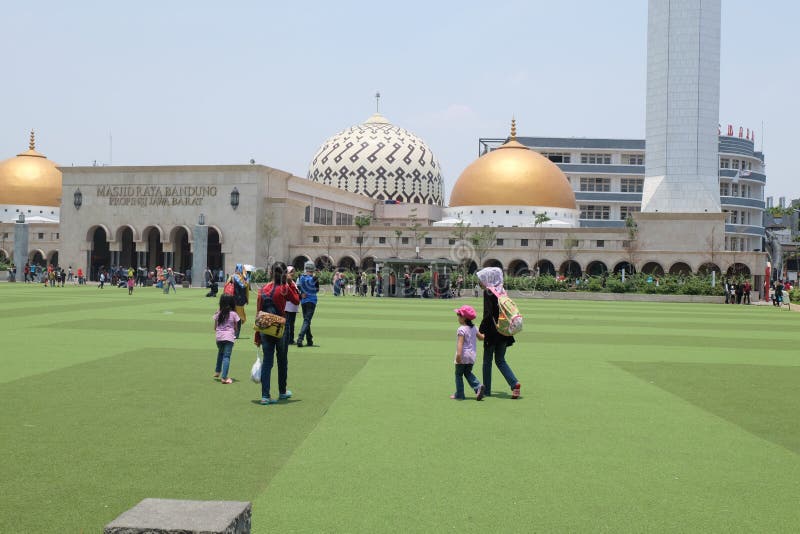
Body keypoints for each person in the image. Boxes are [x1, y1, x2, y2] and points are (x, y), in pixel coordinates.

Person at [255, 262, 300, 404]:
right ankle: (282, 391)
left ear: (271, 272)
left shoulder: (262, 290)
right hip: (280, 327)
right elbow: (297, 300)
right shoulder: (285, 288)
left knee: (267, 362)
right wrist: (291, 282)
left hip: (265, 327)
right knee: (282, 360)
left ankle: (265, 396)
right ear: (284, 273)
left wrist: (257, 335)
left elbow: (258, 312)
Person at [477, 267, 521, 399]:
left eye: (481, 279)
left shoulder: (489, 292)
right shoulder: (501, 291)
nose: (479, 282)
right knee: (500, 360)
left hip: (492, 331)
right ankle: (514, 383)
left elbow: (488, 314)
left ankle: (487, 390)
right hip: (504, 330)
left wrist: (480, 331)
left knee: (487, 361)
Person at [451, 305, 486, 401]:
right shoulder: (474, 328)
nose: (458, 317)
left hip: (463, 355)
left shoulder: (461, 329)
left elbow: (460, 344)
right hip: (471, 356)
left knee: (458, 375)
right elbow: (481, 338)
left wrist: (458, 355)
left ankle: (460, 394)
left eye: (459, 315)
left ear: (464, 318)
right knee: (467, 372)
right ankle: (478, 387)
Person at [213, 294, 240, 384]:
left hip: (219, 337)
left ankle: (217, 371)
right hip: (228, 338)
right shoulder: (233, 314)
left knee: (220, 353)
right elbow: (236, 328)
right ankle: (224, 378)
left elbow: (215, 327)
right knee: (226, 357)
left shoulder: (218, 313)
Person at [296, 261, 319, 347]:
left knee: (306, 320)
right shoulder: (314, 278)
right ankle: (300, 338)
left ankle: (309, 340)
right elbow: (317, 289)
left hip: (304, 301)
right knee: (307, 320)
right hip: (312, 301)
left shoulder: (301, 277)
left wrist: (302, 293)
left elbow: (298, 287)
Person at [228, 264, 250, 336]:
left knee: (233, 315)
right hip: (239, 300)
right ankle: (236, 333)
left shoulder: (232, 276)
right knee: (238, 317)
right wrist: (248, 277)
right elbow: (244, 285)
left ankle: (233, 333)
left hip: (232, 299)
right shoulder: (239, 277)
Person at [284, 266, 300, 347]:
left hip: (293, 307)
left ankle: (290, 339)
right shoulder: (287, 282)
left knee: (291, 324)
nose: (293, 273)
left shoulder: (292, 282)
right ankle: (288, 339)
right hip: (288, 307)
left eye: (293, 271)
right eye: (291, 272)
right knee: (288, 324)